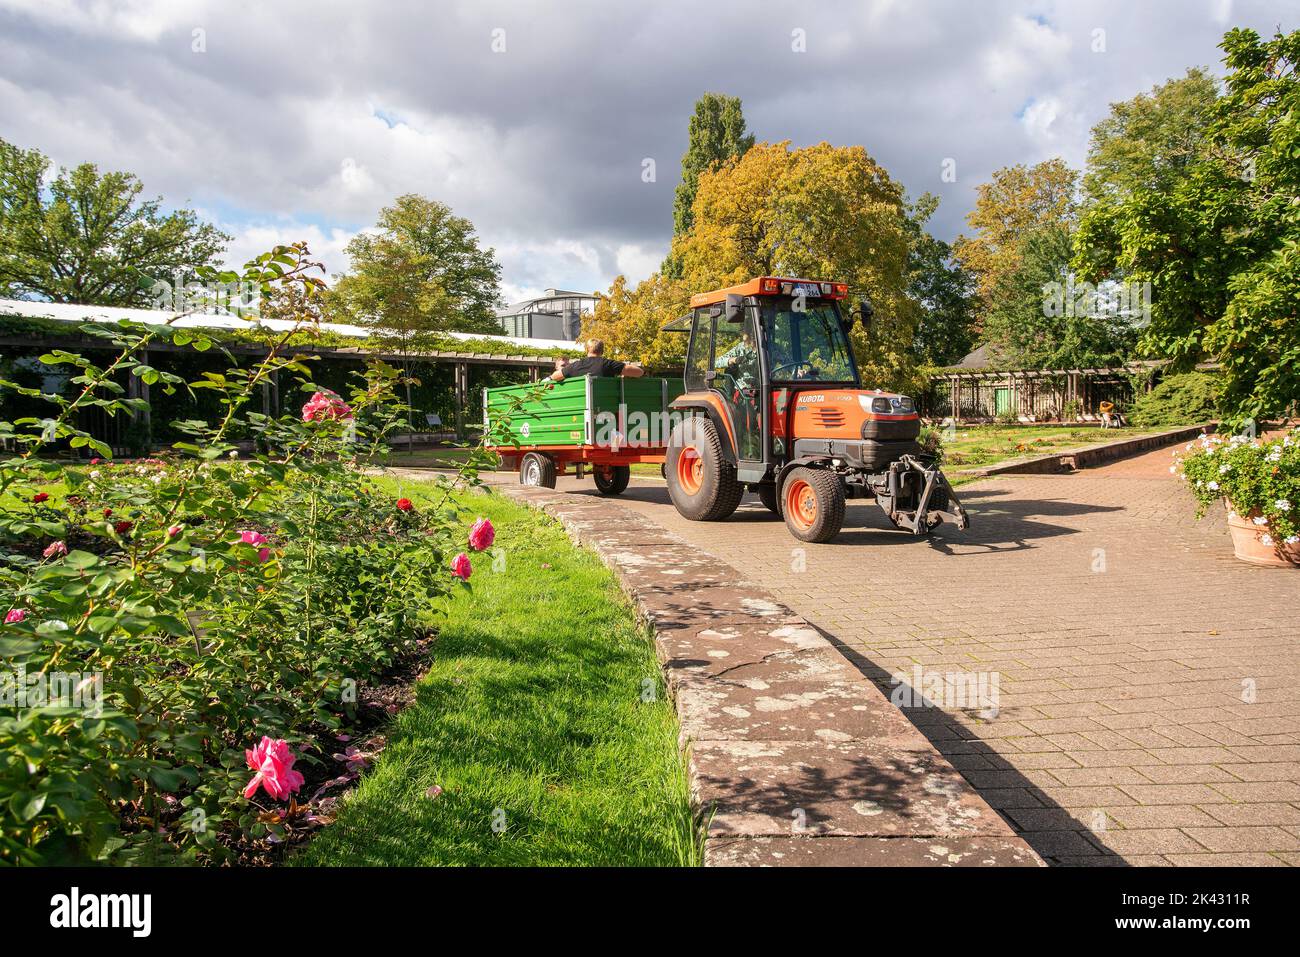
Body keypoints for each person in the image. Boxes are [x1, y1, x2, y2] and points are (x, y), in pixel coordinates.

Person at [550, 339, 644, 381]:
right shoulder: (609, 364)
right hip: (606, 407)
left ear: (586, 350)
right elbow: (639, 372)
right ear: (602, 351)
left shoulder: (575, 366)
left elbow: (554, 376)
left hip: (580, 407)